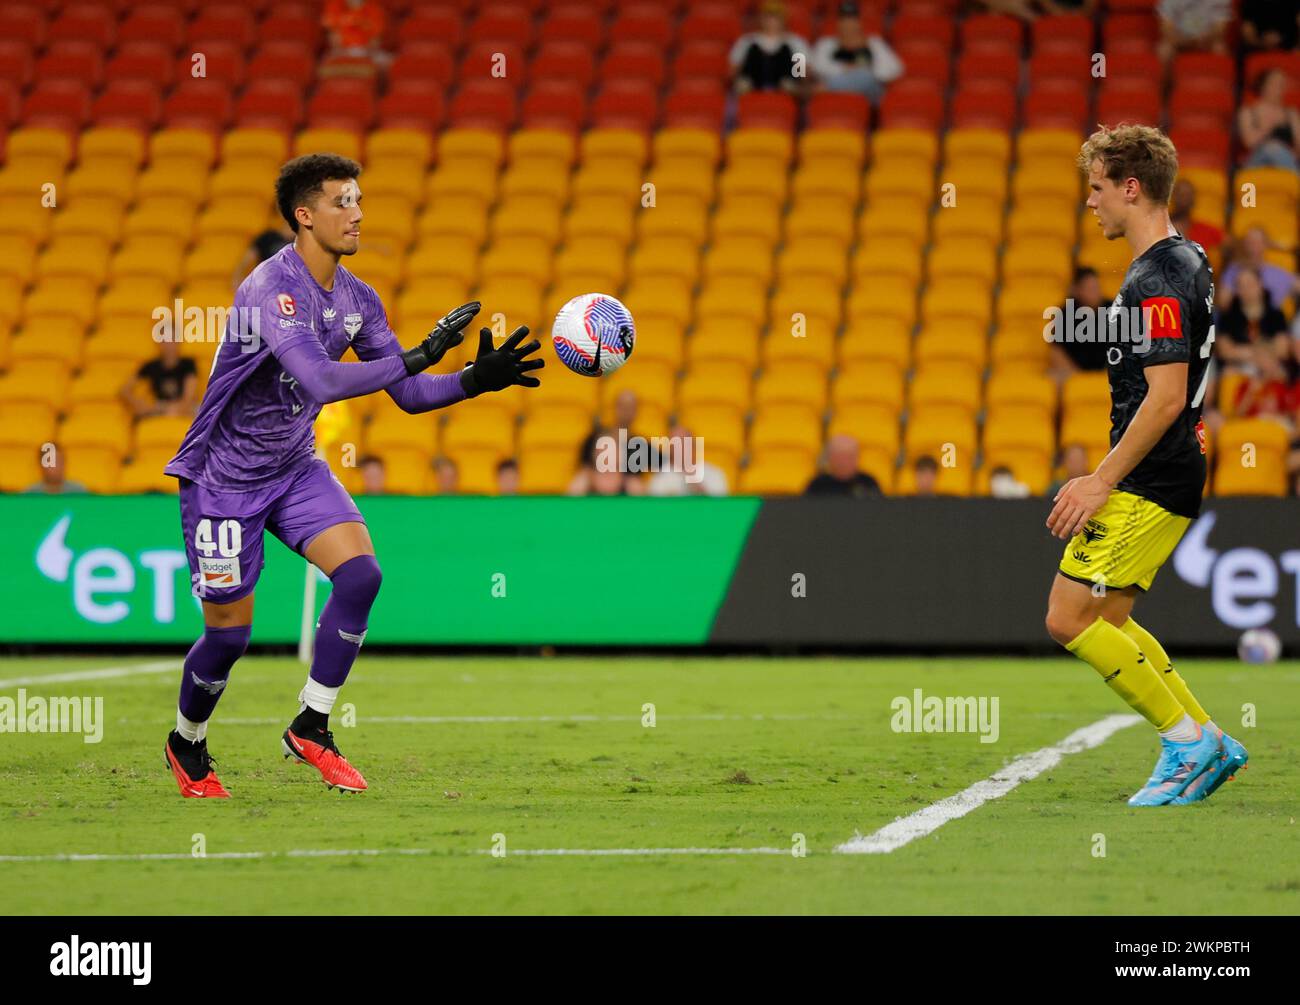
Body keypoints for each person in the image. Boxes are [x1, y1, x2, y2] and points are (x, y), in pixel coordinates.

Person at [161, 153, 544, 798]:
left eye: (359, 200)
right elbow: (321, 378)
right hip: (222, 477)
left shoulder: (358, 300)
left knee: (363, 573)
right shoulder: (269, 287)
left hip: (293, 465)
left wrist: (476, 380)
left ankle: (311, 723)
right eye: (344, 201)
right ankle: (186, 742)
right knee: (228, 638)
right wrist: (420, 352)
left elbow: (412, 395)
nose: (358, 213)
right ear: (304, 216)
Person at [1045, 124, 1246, 808]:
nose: (1091, 203)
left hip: (1149, 474)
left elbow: (1163, 397)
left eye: (1097, 188)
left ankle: (1184, 740)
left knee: (1070, 616)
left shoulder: (1155, 274)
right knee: (1115, 616)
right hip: (1174, 466)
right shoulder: (1189, 257)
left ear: (1131, 187)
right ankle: (1209, 737)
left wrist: (1100, 478)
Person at [810, 2, 902, 105]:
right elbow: (817, 67)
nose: (848, 24)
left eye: (852, 20)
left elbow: (895, 69)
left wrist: (862, 70)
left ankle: (830, 87)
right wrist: (844, 68)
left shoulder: (874, 44)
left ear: (860, 22)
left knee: (865, 76)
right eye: (844, 20)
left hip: (867, 95)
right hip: (833, 98)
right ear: (838, 23)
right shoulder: (826, 44)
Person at [1216, 266, 1292, 372]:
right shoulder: (1228, 317)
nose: (1246, 290)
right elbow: (1225, 351)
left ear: (1260, 285)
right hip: (1239, 369)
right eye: (1241, 286)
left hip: (1270, 368)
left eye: (1250, 284)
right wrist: (1256, 353)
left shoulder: (1276, 315)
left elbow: (1282, 350)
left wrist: (1243, 350)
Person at [729, 0, 809, 96]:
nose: (771, 21)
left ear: (784, 19)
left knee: (791, 83)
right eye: (768, 17)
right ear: (761, 18)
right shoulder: (747, 41)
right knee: (742, 83)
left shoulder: (796, 42)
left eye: (776, 17)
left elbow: (802, 72)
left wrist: (798, 84)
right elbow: (733, 70)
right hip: (752, 85)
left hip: (786, 87)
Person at [1048, 266, 1111, 381]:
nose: (1095, 293)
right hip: (1072, 372)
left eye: (1096, 287)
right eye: (1090, 289)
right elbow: (1056, 351)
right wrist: (1076, 377)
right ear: (1077, 290)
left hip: (1107, 370)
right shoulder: (1065, 312)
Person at [1220, 227, 1298, 316]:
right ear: (1244, 244)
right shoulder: (1233, 270)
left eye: (1258, 242)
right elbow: (1224, 304)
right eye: (1249, 241)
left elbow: (1296, 284)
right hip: (1239, 320)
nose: (1253, 246)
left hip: (1272, 323)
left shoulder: (1277, 273)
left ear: (1266, 245)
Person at [1239, 68, 1300, 172]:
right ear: (1263, 86)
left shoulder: (1291, 113)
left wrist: (1290, 153)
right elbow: (1249, 143)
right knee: (1272, 148)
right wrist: (1269, 126)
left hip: (1287, 160)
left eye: (1282, 84)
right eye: (1275, 83)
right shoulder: (1248, 112)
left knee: (1277, 149)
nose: (1279, 88)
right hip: (1257, 161)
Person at [121, 339, 199, 418]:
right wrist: (137, 403)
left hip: (183, 406)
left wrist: (175, 409)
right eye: (164, 340)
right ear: (159, 343)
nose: (169, 345)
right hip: (159, 407)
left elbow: (188, 398)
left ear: (179, 342)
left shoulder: (188, 364)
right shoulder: (151, 365)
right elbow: (124, 390)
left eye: (172, 340)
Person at [648, 425, 729, 496]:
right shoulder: (660, 479)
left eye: (684, 442)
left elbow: (720, 509)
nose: (680, 447)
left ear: (693, 445)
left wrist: (698, 489)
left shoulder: (714, 474)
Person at [1169, 178, 1225, 266]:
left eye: (1187, 195)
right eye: (1180, 195)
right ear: (1172, 198)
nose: (1184, 199)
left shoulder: (1205, 229)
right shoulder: (1161, 226)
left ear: (1194, 200)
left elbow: (1229, 244)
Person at [803, 434, 881, 497]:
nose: (845, 462)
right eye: (840, 456)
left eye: (850, 456)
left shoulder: (868, 483)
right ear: (830, 458)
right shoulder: (818, 486)